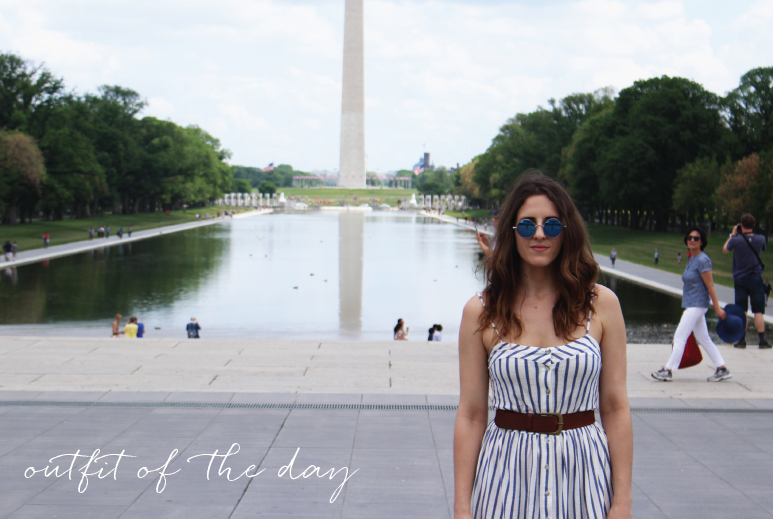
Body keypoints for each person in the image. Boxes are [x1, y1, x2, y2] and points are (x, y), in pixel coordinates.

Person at [454, 172, 632, 519]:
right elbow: (472, 414)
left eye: (551, 225)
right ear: (510, 232)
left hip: (584, 475)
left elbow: (615, 407)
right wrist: (462, 507)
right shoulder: (481, 311)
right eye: (527, 225)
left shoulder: (602, 304)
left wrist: (621, 501)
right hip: (505, 476)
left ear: (566, 231)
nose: (539, 234)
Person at [652, 227, 732, 382]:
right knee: (704, 339)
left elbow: (710, 286)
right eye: (689, 237)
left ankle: (668, 370)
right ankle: (722, 368)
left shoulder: (702, 260)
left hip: (697, 304)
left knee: (680, 336)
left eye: (696, 238)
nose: (692, 240)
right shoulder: (692, 259)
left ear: (702, 242)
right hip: (692, 304)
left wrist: (717, 308)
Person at [723, 213, 769, 348]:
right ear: (754, 225)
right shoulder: (761, 239)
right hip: (755, 277)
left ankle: (742, 340)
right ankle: (762, 341)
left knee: (742, 310)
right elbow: (763, 249)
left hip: (740, 278)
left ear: (740, 225)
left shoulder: (736, 240)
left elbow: (725, 250)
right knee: (758, 311)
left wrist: (732, 234)